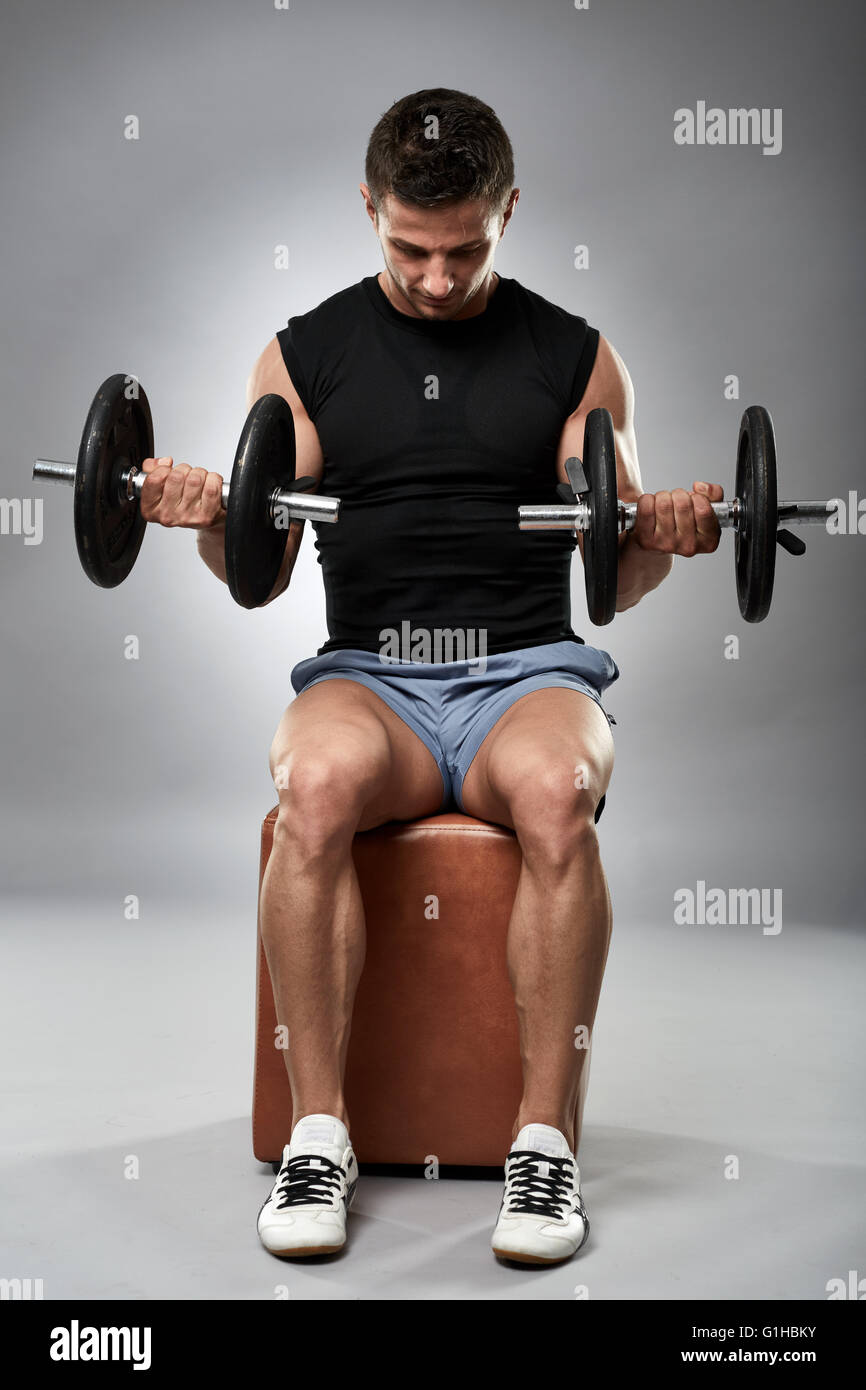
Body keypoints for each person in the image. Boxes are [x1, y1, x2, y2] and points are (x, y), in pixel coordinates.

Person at [140, 89, 723, 1266]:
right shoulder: (307, 352)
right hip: (374, 679)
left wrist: (661, 531)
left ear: (508, 212)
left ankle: (541, 1150)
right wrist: (202, 516)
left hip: (525, 674)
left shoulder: (574, 354)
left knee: (561, 791)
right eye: (409, 248)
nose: (439, 277)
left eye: (465, 250)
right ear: (368, 210)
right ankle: (319, 1134)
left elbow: (614, 572)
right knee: (308, 785)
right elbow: (260, 565)